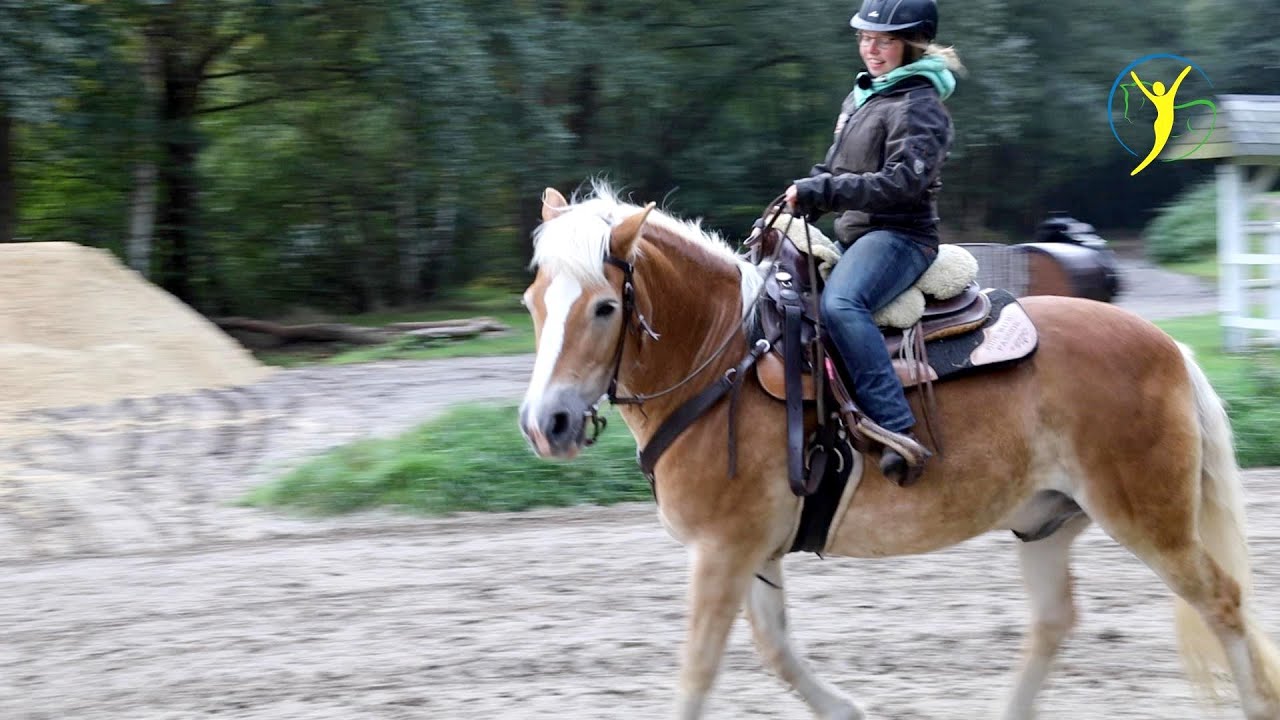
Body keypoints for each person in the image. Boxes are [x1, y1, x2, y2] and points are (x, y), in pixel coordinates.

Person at [784, 0, 962, 487]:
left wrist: (825, 191)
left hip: (902, 236)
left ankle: (895, 426)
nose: (871, 48)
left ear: (912, 42)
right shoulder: (863, 98)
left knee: (841, 304)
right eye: (865, 38)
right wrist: (803, 196)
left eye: (884, 40)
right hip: (857, 236)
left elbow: (903, 183)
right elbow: (834, 173)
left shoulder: (921, 105)